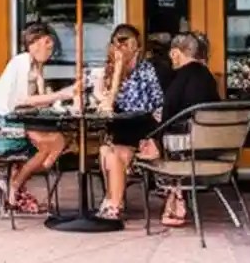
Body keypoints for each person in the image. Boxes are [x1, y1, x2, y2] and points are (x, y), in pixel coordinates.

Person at [0, 23, 76, 214]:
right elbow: (21, 101)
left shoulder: (34, 66)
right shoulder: (22, 61)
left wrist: (41, 82)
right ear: (34, 43)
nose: (50, 50)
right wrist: (61, 94)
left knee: (57, 142)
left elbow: (38, 104)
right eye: (48, 43)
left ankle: (14, 183)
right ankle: (15, 184)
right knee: (55, 141)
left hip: (10, 120)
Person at [95, 24, 164, 221]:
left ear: (137, 47)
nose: (122, 46)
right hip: (118, 125)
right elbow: (105, 103)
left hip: (142, 125)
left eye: (127, 41)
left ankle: (113, 203)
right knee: (106, 152)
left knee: (114, 153)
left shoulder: (146, 70)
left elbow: (152, 104)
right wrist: (116, 71)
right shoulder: (107, 71)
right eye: (118, 41)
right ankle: (115, 203)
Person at [154, 32, 221, 227]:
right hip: (213, 148)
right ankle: (176, 194)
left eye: (171, 55)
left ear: (175, 54)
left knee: (151, 141)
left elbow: (168, 113)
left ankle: (174, 194)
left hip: (186, 149)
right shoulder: (208, 77)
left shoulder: (181, 77)